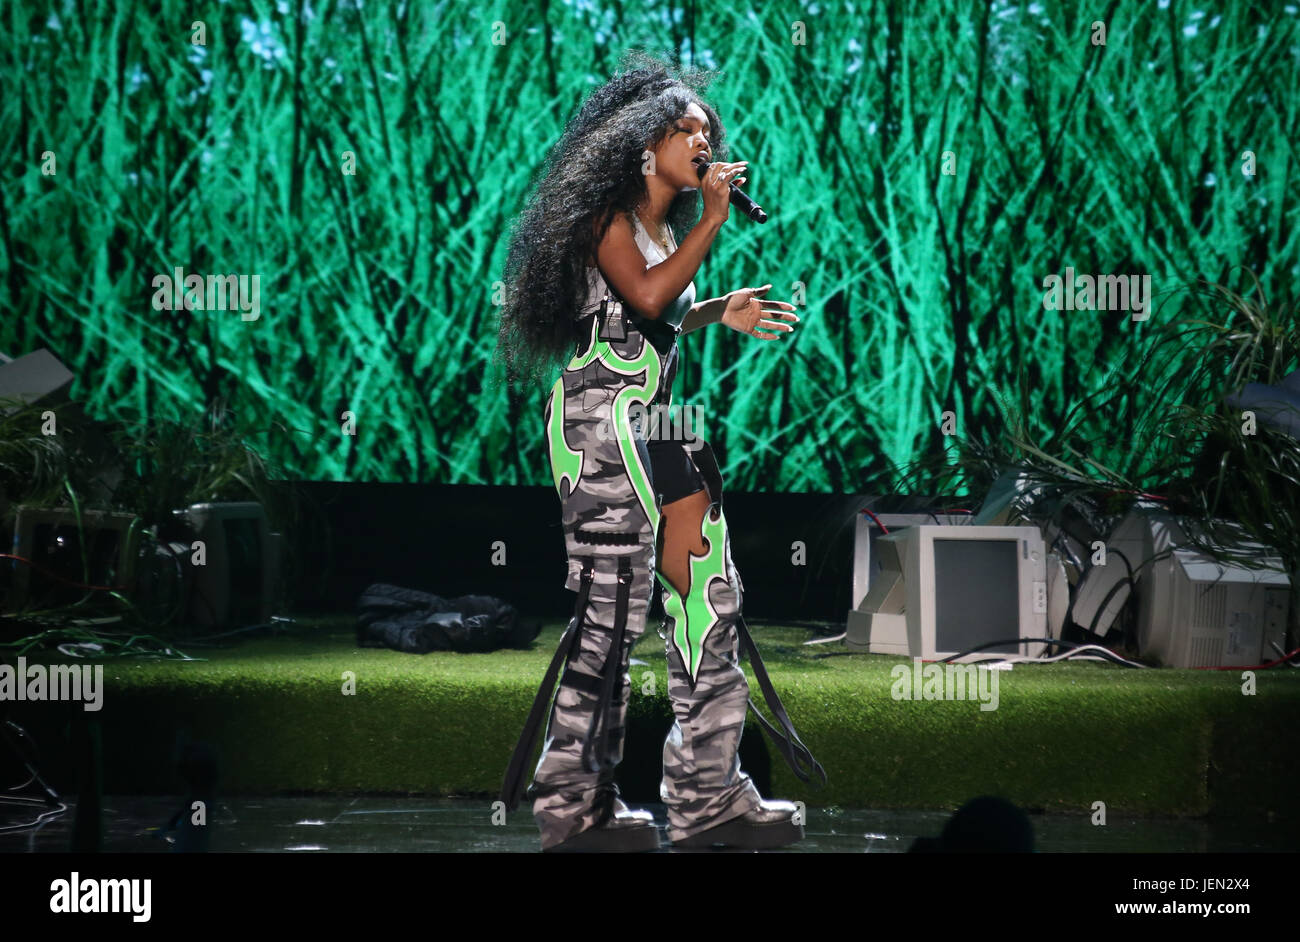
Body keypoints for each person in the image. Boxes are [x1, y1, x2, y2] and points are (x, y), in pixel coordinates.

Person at [495, 54, 825, 853]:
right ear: (643, 147)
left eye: (707, 130)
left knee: (708, 591)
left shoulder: (659, 229)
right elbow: (640, 300)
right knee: (609, 614)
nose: (703, 140)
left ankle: (709, 794)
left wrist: (719, 310)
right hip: (601, 426)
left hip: (657, 426)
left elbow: (662, 311)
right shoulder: (609, 220)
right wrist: (713, 221)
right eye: (685, 130)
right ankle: (574, 809)